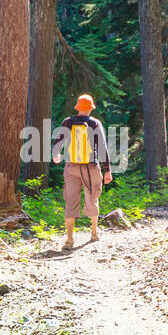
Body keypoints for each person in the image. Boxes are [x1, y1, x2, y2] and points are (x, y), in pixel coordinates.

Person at [51, 94, 112, 249]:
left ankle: (70, 239)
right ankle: (94, 233)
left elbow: (58, 141)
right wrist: (107, 170)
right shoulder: (95, 123)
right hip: (90, 168)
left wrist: (56, 154)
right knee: (92, 198)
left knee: (71, 201)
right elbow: (103, 147)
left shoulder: (67, 122)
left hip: (71, 167)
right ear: (91, 108)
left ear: (77, 107)